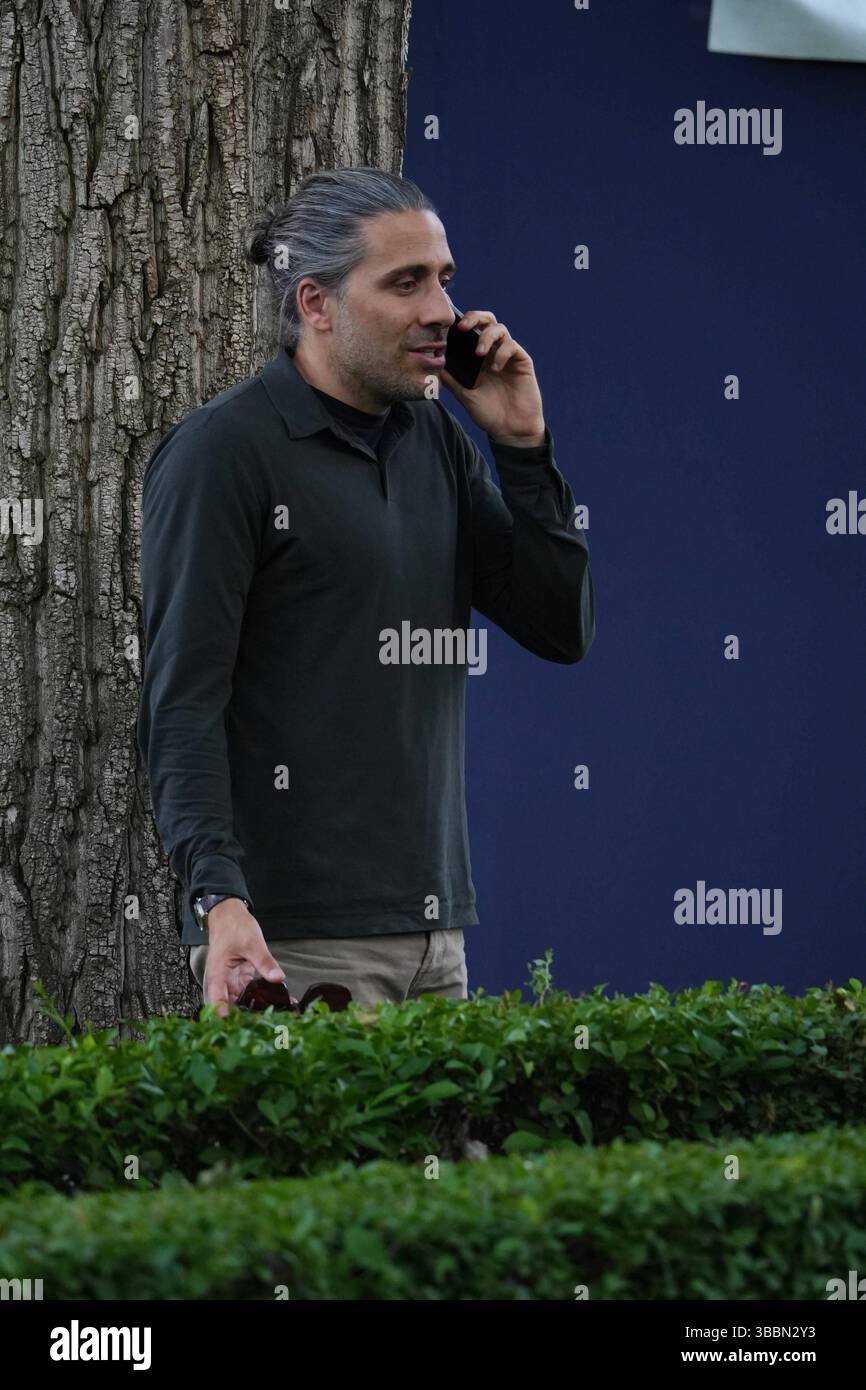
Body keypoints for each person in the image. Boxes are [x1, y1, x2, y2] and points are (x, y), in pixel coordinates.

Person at [137, 167, 595, 1018]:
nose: (442, 314)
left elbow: (559, 628)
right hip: (293, 941)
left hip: (437, 934)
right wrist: (221, 904)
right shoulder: (224, 454)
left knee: (445, 1155)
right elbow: (182, 704)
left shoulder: (437, 442)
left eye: (445, 281)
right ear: (316, 304)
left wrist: (524, 450)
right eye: (406, 283)